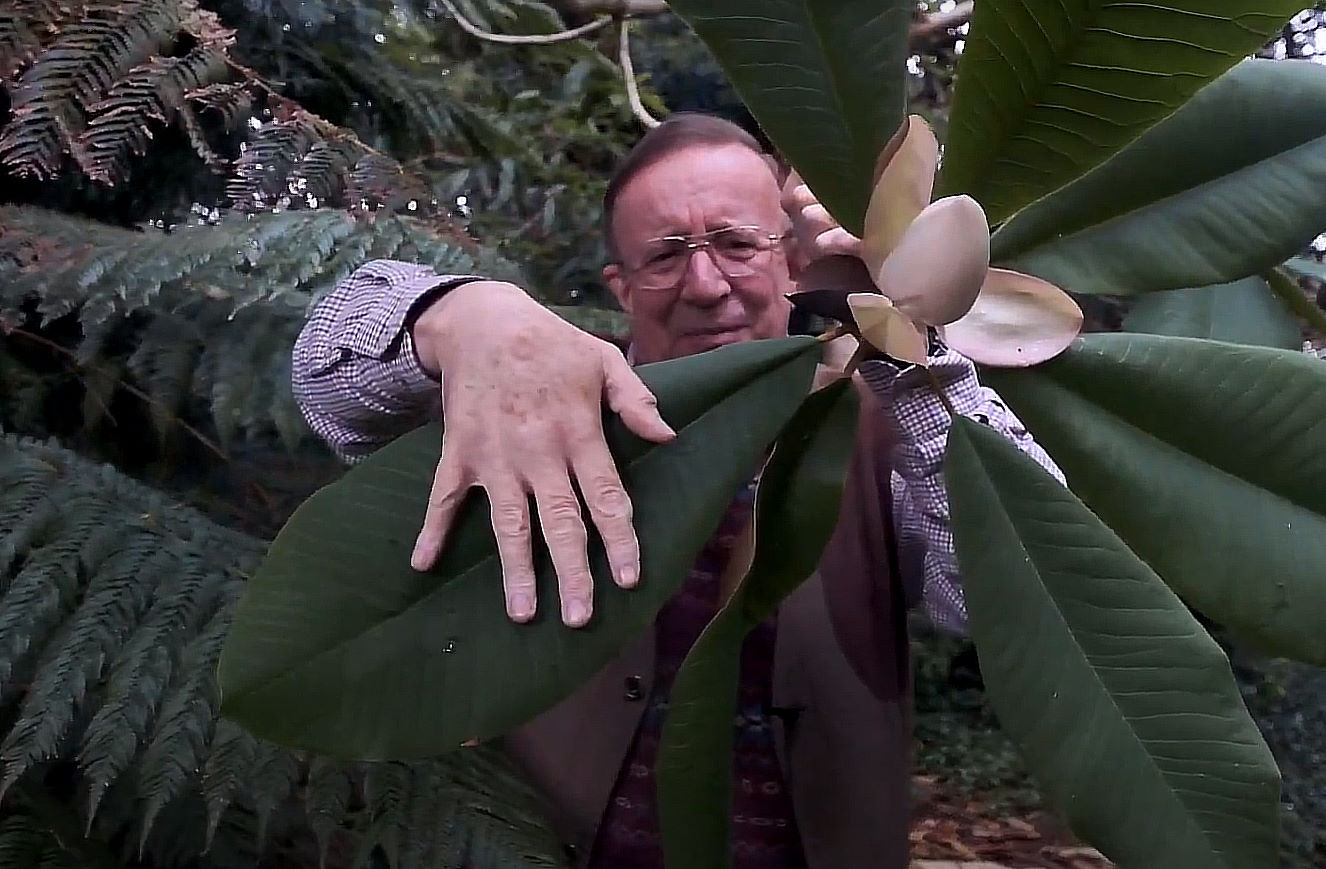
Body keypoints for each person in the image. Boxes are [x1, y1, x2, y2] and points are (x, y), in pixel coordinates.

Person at [291, 112, 1065, 869]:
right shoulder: (538, 402)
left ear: (792, 261)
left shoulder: (878, 419)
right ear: (620, 287)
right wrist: (459, 315)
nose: (705, 284)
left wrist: (911, 344)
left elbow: (1016, 593)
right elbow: (327, 382)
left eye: (736, 243)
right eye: (665, 256)